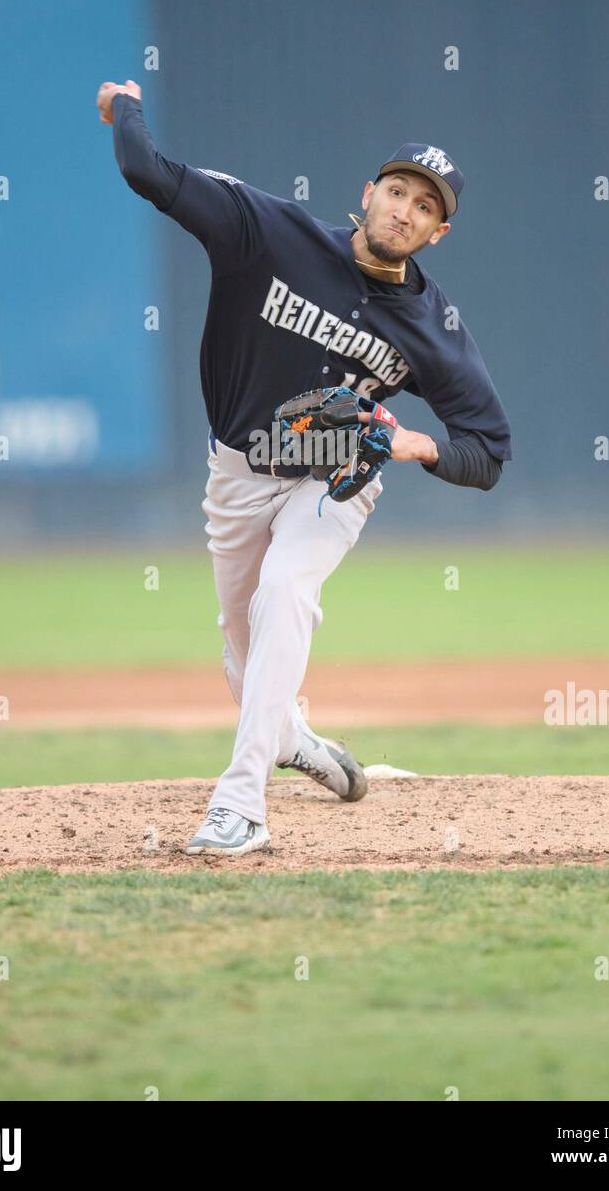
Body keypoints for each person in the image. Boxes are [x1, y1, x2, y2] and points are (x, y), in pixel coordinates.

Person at [97, 79, 511, 857]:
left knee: (286, 591)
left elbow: (488, 450)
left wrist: (417, 444)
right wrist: (126, 105)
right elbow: (149, 173)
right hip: (239, 472)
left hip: (337, 476)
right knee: (243, 646)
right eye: (397, 191)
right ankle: (293, 742)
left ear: (438, 233)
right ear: (369, 192)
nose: (405, 211)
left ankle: (241, 802)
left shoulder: (432, 329)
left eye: (427, 207)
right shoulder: (269, 233)